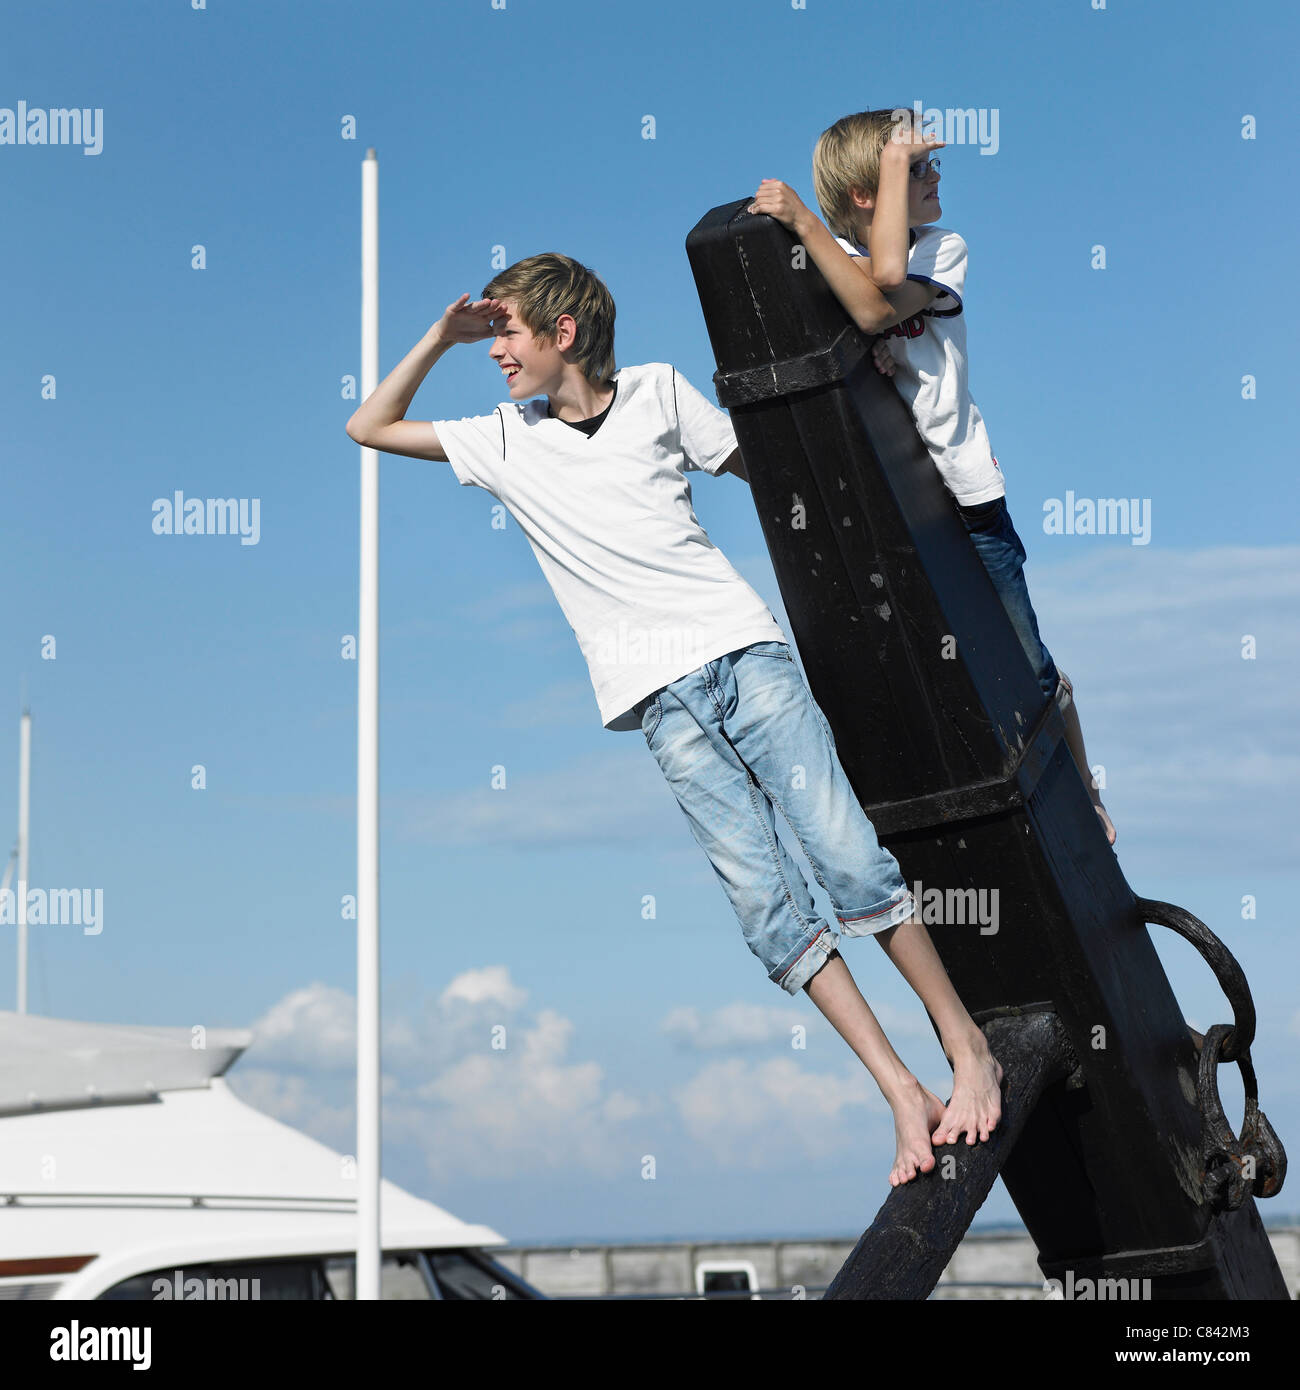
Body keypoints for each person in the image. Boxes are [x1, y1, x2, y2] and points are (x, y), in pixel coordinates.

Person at [345, 251, 1002, 1187]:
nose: (495, 353)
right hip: (659, 706)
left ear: (562, 334)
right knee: (769, 915)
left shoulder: (656, 391)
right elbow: (367, 425)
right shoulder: (501, 439)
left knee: (850, 858)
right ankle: (902, 1090)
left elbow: (776, 470)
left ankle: (965, 1046)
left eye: (506, 334)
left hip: (743, 656)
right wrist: (440, 339)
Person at [748, 108, 1116, 845]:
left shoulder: (943, 247)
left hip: (968, 496)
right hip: (907, 505)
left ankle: (1088, 793)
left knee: (1029, 665)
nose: (935, 173)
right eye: (917, 167)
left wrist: (813, 217)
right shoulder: (838, 263)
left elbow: (880, 291)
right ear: (867, 194)